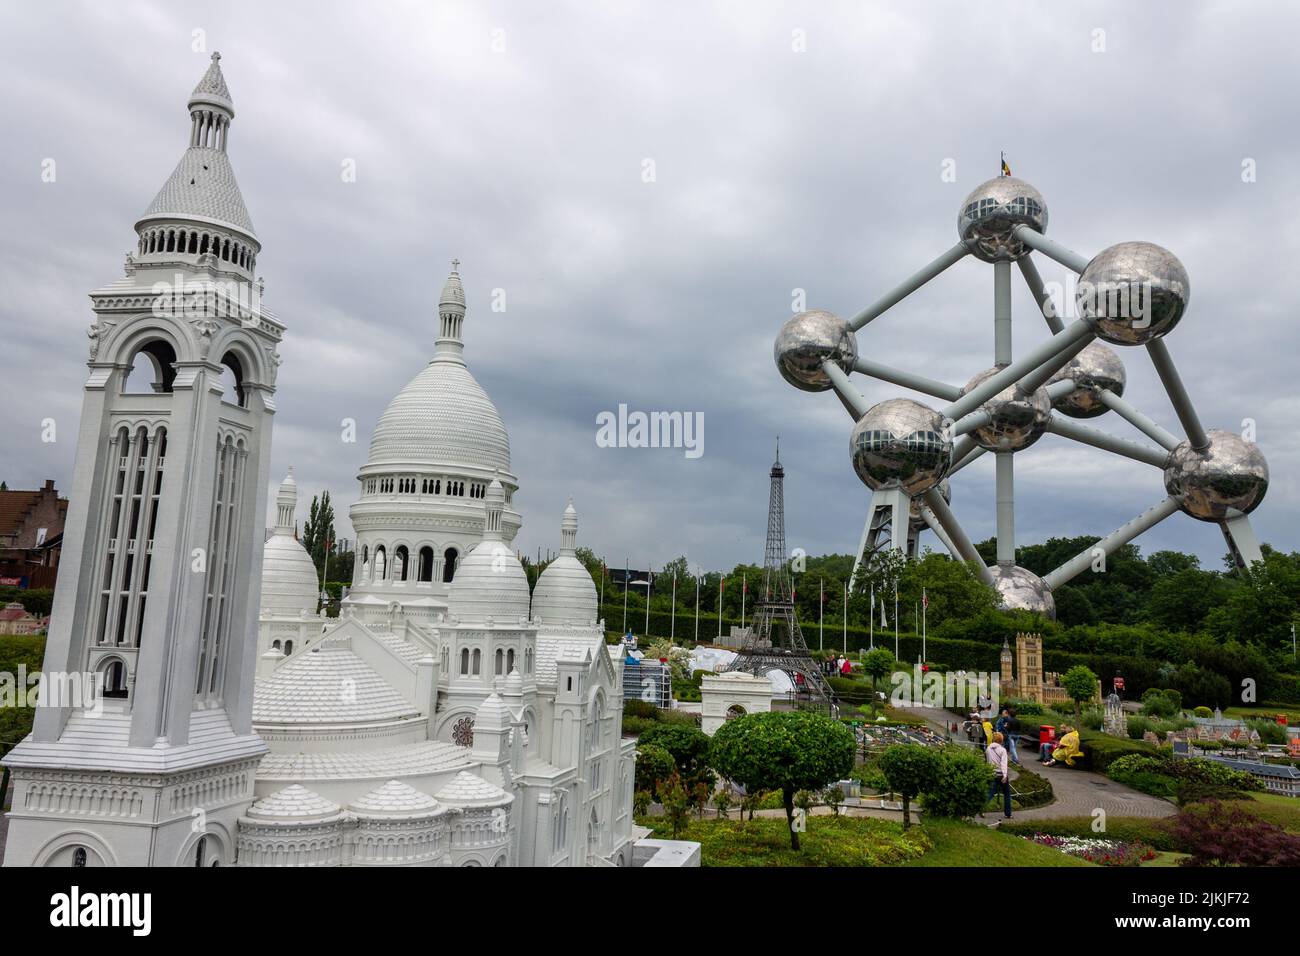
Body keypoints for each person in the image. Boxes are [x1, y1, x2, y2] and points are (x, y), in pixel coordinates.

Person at [985, 732, 1012, 822]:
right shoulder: (1002, 750)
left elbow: (988, 761)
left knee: (990, 793)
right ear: (1001, 740)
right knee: (1007, 794)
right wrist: (1005, 775)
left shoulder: (988, 748)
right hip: (1001, 775)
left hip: (992, 773)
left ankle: (981, 808)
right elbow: (1004, 763)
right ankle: (1008, 814)